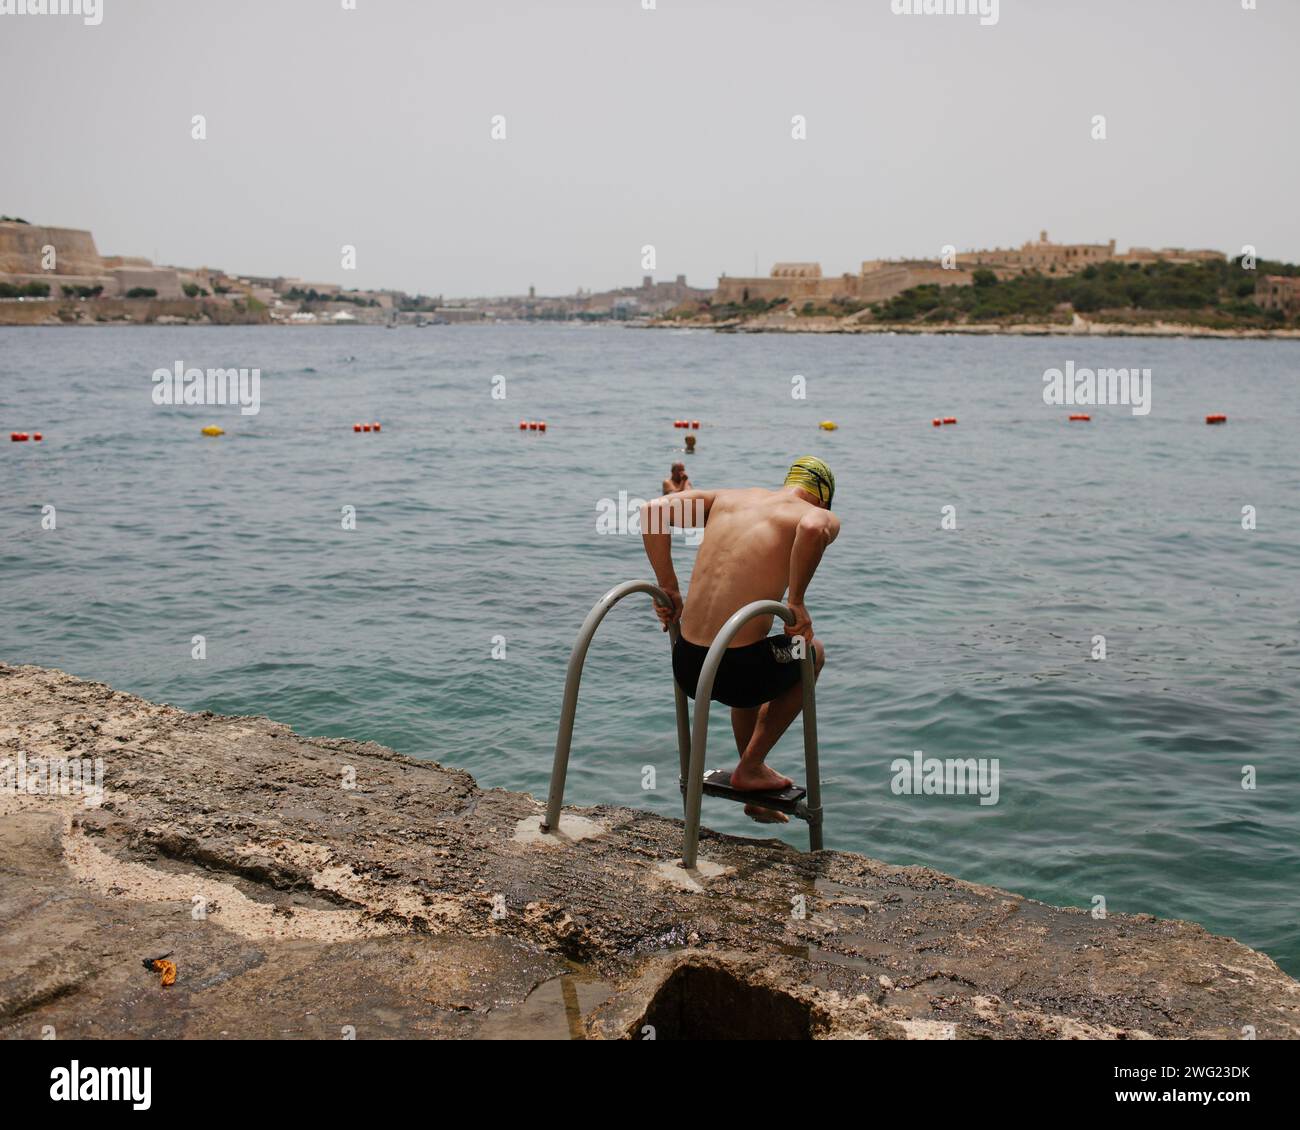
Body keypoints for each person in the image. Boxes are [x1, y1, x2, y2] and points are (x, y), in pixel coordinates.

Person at [640, 456, 839, 823]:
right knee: (813, 652)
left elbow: (652, 512)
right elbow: (812, 529)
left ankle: (753, 785)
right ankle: (750, 765)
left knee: (751, 642)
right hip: (738, 674)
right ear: (823, 497)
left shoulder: (730, 498)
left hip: (687, 666)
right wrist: (795, 601)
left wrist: (668, 588)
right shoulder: (812, 513)